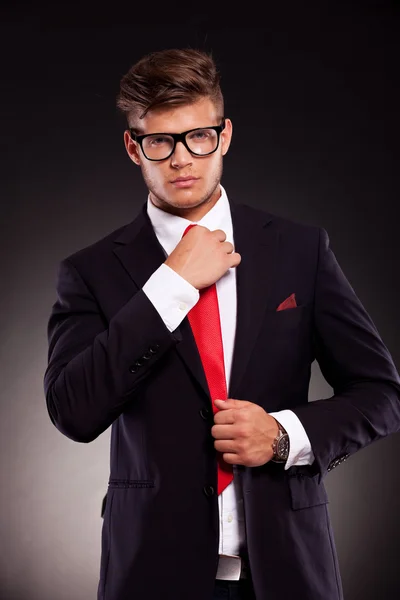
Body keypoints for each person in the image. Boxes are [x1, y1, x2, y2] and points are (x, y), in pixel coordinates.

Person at [43, 48, 400, 600]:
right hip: (151, 573)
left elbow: (381, 394)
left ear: (225, 135)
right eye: (160, 141)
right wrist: (171, 285)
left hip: (287, 568)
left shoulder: (300, 251)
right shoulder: (89, 272)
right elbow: (74, 411)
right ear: (133, 147)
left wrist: (284, 436)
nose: (181, 159)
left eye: (199, 137)